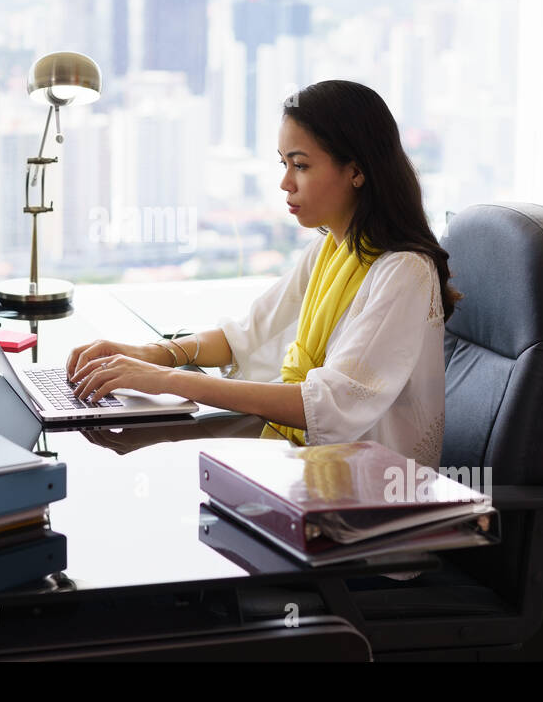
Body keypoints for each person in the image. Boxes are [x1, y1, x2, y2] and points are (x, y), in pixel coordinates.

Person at [65, 80, 462, 467]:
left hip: (371, 490)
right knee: (155, 447)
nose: (285, 182)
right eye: (284, 163)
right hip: (314, 458)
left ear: (356, 170)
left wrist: (165, 380)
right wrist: (150, 355)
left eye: (301, 165)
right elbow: (248, 335)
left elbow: (327, 404)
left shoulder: (403, 271)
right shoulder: (330, 250)